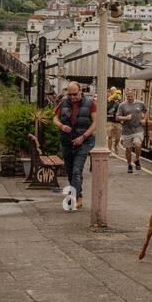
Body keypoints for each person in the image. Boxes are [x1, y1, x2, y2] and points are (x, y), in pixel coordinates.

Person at [52, 81, 97, 210]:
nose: (72, 97)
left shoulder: (90, 103)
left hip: (83, 142)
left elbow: (95, 122)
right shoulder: (64, 102)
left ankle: (75, 198)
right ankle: (79, 196)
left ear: (80, 91)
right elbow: (55, 118)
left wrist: (83, 137)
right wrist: (61, 125)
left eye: (74, 94)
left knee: (77, 171)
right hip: (67, 142)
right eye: (69, 94)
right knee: (70, 172)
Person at [116, 88, 148, 173]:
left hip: (138, 128)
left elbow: (146, 111)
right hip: (127, 130)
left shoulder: (140, 103)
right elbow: (117, 117)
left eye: (131, 96)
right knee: (128, 149)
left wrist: (144, 119)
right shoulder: (122, 105)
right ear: (126, 96)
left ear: (134, 95)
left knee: (138, 144)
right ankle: (129, 165)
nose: (130, 98)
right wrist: (125, 118)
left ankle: (137, 159)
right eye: (128, 96)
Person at [106, 88, 123, 155]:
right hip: (109, 121)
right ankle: (109, 150)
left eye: (114, 91)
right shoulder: (108, 100)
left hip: (118, 121)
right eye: (112, 91)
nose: (113, 92)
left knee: (118, 137)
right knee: (110, 136)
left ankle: (115, 146)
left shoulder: (119, 99)